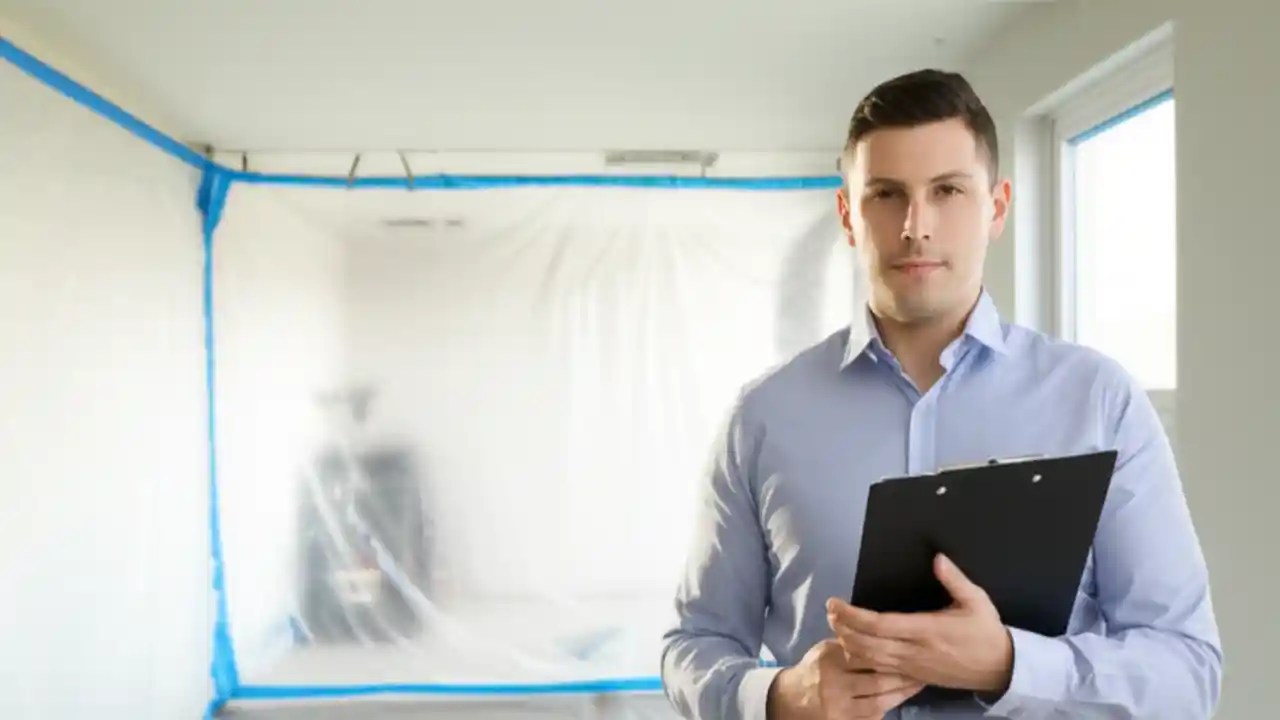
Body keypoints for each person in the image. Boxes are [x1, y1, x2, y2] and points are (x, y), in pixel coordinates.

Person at [659, 69, 1222, 720]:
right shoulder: (762, 419)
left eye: (947, 191)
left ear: (997, 208)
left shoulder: (1100, 401)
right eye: (886, 194)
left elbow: (1187, 672)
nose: (914, 227)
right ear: (848, 213)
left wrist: (1008, 665)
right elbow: (693, 644)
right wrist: (781, 697)